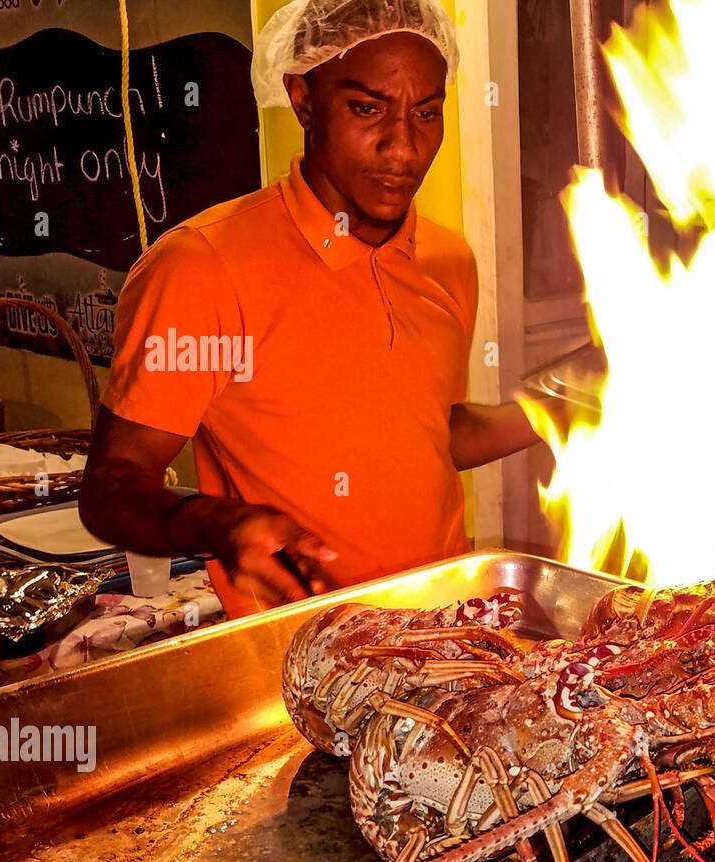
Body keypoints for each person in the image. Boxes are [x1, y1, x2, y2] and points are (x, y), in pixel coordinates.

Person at [80, 0, 541, 618]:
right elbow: (111, 490)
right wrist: (221, 524)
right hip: (299, 656)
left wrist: (571, 404)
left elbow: (432, 433)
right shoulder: (201, 267)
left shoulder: (447, 261)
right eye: (367, 108)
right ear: (302, 98)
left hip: (448, 631)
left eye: (426, 113)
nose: (404, 148)